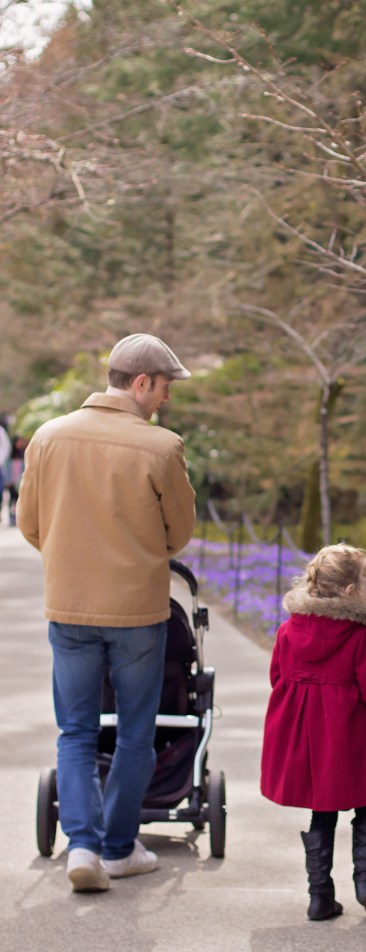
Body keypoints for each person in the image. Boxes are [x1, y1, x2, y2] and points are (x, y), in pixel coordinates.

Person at [17, 333, 196, 893]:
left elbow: (30, 524)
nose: (165, 398)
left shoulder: (48, 437)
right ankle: (119, 849)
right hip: (137, 611)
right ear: (141, 382)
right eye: (165, 386)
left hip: (68, 604)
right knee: (136, 734)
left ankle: (84, 847)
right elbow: (180, 534)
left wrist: (72, 560)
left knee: (75, 732)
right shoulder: (161, 447)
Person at [260, 543, 366, 921]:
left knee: (324, 810)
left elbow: (276, 678)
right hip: (349, 733)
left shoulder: (288, 630)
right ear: (350, 591)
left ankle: (320, 897)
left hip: (307, 735)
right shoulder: (355, 635)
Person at [6, 433, 28, 526]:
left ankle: (18, 517)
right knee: (12, 500)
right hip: (11, 480)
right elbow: (7, 468)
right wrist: (8, 480)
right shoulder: (10, 454)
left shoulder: (23, 453)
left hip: (20, 481)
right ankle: (11, 516)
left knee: (19, 499)